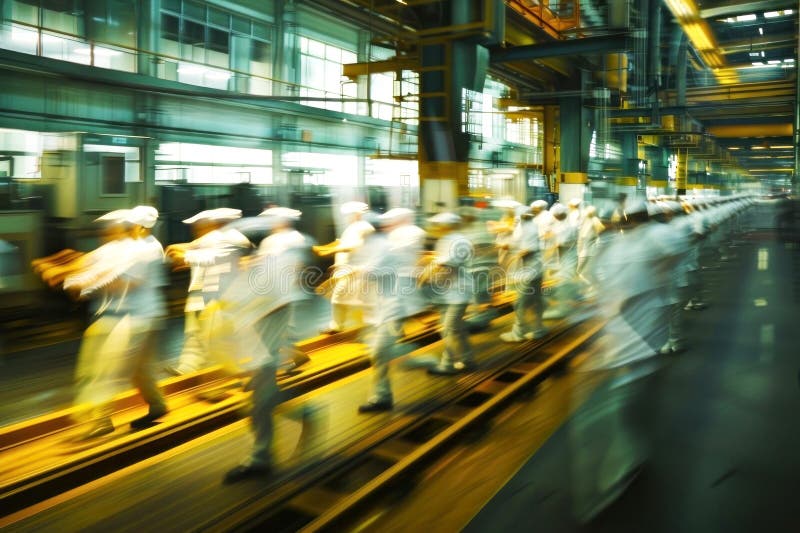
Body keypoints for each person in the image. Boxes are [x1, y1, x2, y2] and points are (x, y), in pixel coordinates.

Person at [222, 207, 318, 483]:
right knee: (261, 398)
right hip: (259, 324)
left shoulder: (290, 245)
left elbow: (287, 281)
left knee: (260, 399)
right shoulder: (267, 250)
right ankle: (301, 416)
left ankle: (261, 457)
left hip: (271, 322)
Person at [64, 208, 168, 438]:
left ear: (139, 226)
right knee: (140, 370)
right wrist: (76, 275)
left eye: (124, 225)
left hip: (136, 317)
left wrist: (85, 287)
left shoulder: (146, 249)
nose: (113, 230)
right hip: (132, 316)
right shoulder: (130, 247)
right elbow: (99, 266)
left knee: (106, 367)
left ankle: (101, 420)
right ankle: (158, 404)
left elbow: (125, 282)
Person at [165, 208, 251, 375]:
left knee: (217, 340)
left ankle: (236, 375)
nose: (197, 229)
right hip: (202, 297)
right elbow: (194, 246)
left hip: (220, 299)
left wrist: (185, 256)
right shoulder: (212, 237)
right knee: (194, 335)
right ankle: (187, 369)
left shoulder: (234, 238)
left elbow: (214, 256)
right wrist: (178, 249)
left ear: (216, 223)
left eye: (201, 225)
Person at [358, 208, 425, 412]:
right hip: (382, 309)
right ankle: (409, 360)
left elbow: (371, 272)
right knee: (378, 351)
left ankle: (382, 396)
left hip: (393, 308)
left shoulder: (384, 247)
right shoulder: (377, 246)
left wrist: (353, 272)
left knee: (379, 351)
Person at [423, 212, 475, 375]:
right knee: (456, 328)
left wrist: (425, 278)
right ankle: (467, 359)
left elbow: (447, 265)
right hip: (447, 292)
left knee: (449, 328)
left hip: (458, 292)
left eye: (438, 225)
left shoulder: (459, 241)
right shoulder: (445, 239)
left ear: (447, 226)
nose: (434, 228)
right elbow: (440, 260)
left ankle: (448, 364)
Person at [314, 201, 374, 333]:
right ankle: (342, 325)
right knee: (347, 299)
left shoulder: (364, 227)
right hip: (348, 271)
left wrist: (329, 251)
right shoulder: (353, 227)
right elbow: (340, 243)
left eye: (349, 215)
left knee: (340, 298)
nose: (347, 217)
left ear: (357, 214)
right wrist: (324, 248)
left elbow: (355, 246)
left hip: (356, 271)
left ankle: (339, 326)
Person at [500, 202, 548, 342]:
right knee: (535, 301)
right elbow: (519, 243)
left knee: (521, 302)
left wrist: (512, 259)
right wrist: (508, 245)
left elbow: (528, 249)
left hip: (530, 272)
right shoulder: (526, 226)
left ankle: (518, 333)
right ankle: (538, 329)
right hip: (534, 271)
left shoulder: (529, 228)